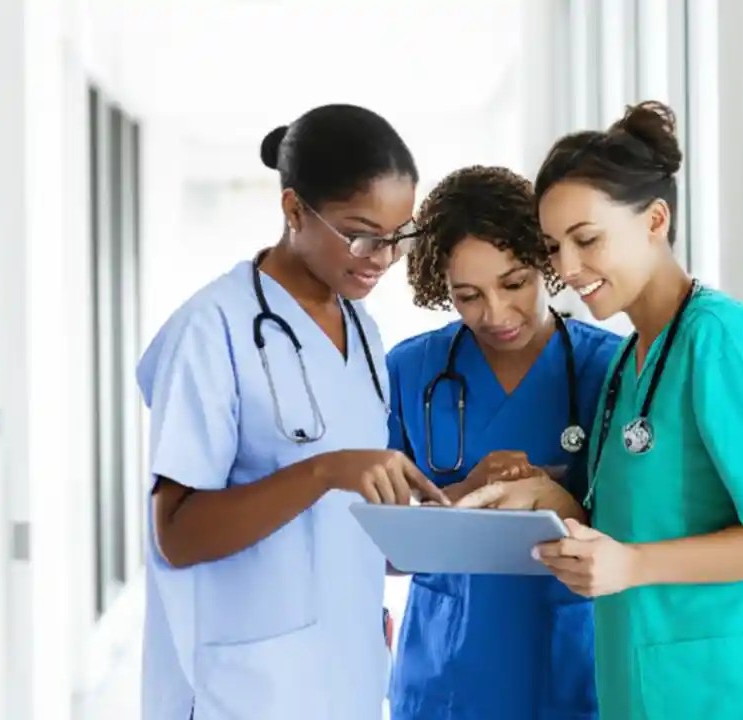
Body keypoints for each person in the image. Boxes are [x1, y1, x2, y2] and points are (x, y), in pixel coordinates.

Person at [459, 102, 743, 719]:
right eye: (554, 247)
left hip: (742, 694)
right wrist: (547, 500)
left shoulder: (724, 341)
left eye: (586, 240)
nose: (566, 269)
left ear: (655, 219)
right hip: (651, 688)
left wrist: (632, 566)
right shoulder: (628, 361)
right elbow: (642, 520)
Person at [135, 104, 448, 720]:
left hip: (346, 677)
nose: (381, 257)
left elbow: (346, 525)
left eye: (398, 236)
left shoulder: (363, 332)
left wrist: (456, 508)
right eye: (361, 234)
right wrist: (323, 471)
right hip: (247, 690)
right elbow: (175, 533)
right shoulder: (212, 328)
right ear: (293, 210)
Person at [385, 166, 621, 719]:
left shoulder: (609, 368)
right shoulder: (409, 369)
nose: (495, 314)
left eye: (514, 283)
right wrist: (466, 491)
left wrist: (553, 496)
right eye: (466, 295)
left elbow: (640, 529)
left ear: (546, 260)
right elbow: (380, 548)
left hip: (570, 655)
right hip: (448, 670)